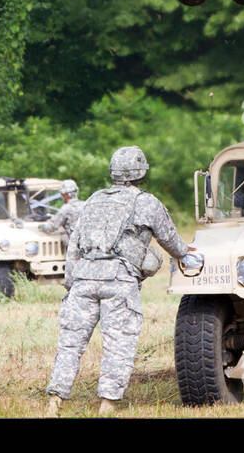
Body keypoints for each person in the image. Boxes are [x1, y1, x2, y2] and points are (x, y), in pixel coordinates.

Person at [46, 147, 192, 416]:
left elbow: (74, 246)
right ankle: (107, 405)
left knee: (70, 345)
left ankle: (55, 401)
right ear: (142, 173)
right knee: (119, 344)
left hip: (83, 279)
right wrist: (185, 255)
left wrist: (71, 285)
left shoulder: (93, 199)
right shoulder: (147, 202)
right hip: (118, 281)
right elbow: (169, 238)